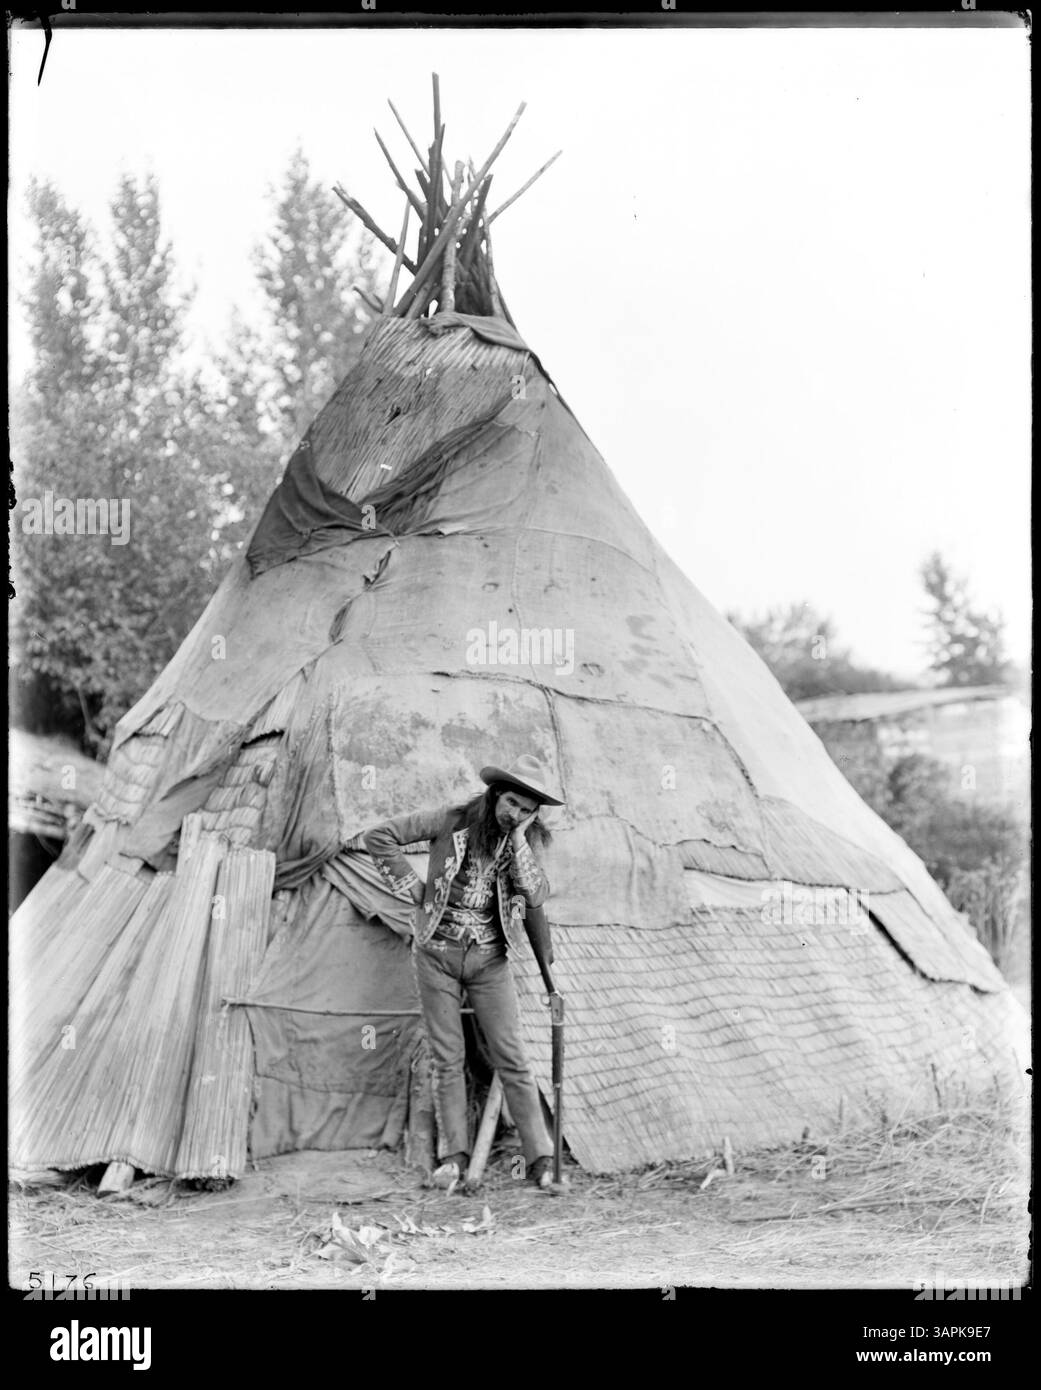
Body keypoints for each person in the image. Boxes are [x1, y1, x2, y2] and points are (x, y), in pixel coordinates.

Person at [364, 755, 564, 1191]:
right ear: (496, 794)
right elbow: (378, 837)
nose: (516, 814)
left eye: (528, 810)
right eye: (512, 803)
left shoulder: (522, 841)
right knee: (447, 1057)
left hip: (490, 960)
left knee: (511, 1056)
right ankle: (453, 1157)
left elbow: (536, 894)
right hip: (436, 952)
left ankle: (541, 1159)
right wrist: (414, 889)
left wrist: (521, 840)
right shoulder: (451, 821)